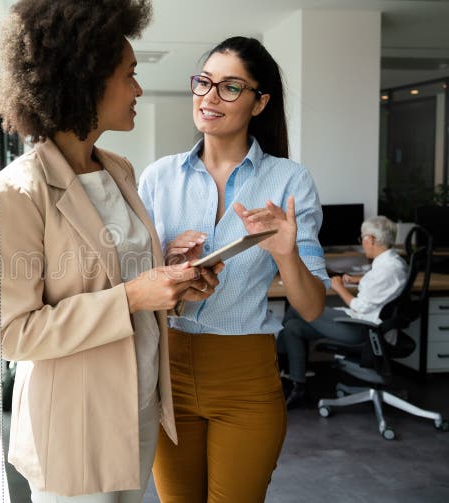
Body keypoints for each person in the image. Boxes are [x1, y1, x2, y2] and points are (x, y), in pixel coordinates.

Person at [0, 1, 224, 501]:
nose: (138, 89)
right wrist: (133, 296)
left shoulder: (120, 170)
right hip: (72, 423)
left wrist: (175, 280)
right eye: (130, 75)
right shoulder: (15, 192)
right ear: (85, 78)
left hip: (136, 408)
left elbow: (121, 277)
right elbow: (12, 334)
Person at [138, 36, 329, 502]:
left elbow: (312, 308)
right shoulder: (158, 177)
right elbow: (130, 278)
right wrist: (165, 262)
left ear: (260, 102)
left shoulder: (288, 179)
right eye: (204, 82)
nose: (209, 96)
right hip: (168, 370)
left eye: (230, 87)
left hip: (246, 377)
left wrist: (286, 252)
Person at [277, 215, 408, 408]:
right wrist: (358, 280)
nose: (362, 243)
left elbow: (360, 306)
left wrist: (338, 287)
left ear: (370, 239)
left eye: (362, 238)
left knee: (297, 307)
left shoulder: (387, 270)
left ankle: (278, 369)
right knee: (293, 328)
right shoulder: (392, 263)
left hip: (362, 330)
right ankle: (298, 387)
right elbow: (379, 285)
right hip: (366, 325)